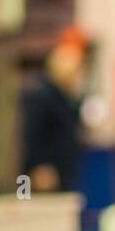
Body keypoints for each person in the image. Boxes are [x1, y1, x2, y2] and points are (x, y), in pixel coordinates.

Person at [20, 26, 88, 194]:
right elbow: (32, 135)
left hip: (64, 173)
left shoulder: (66, 99)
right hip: (46, 176)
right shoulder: (43, 97)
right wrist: (39, 166)